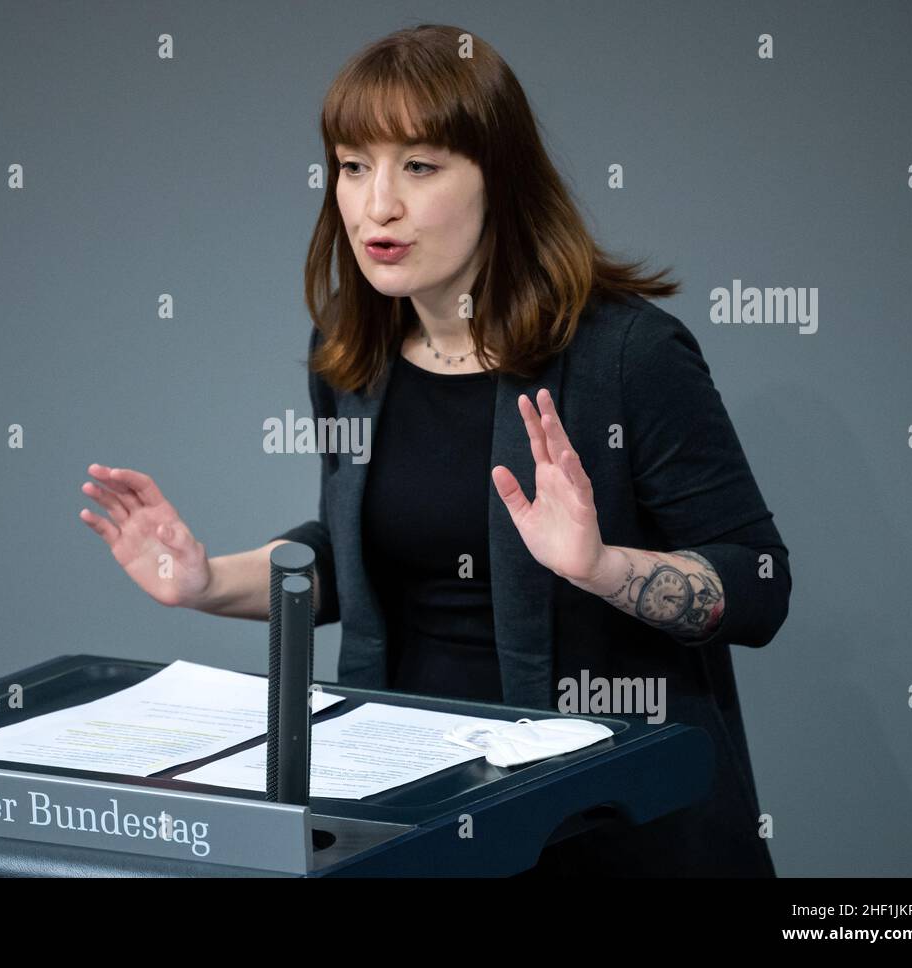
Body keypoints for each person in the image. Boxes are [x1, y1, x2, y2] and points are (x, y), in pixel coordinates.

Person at [79, 24, 791, 877]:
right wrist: (206, 581)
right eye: (352, 165)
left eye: (419, 166)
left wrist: (602, 567)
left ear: (501, 180)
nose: (376, 203)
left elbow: (759, 584)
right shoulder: (349, 356)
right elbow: (358, 558)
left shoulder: (630, 355)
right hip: (414, 811)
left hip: (607, 824)